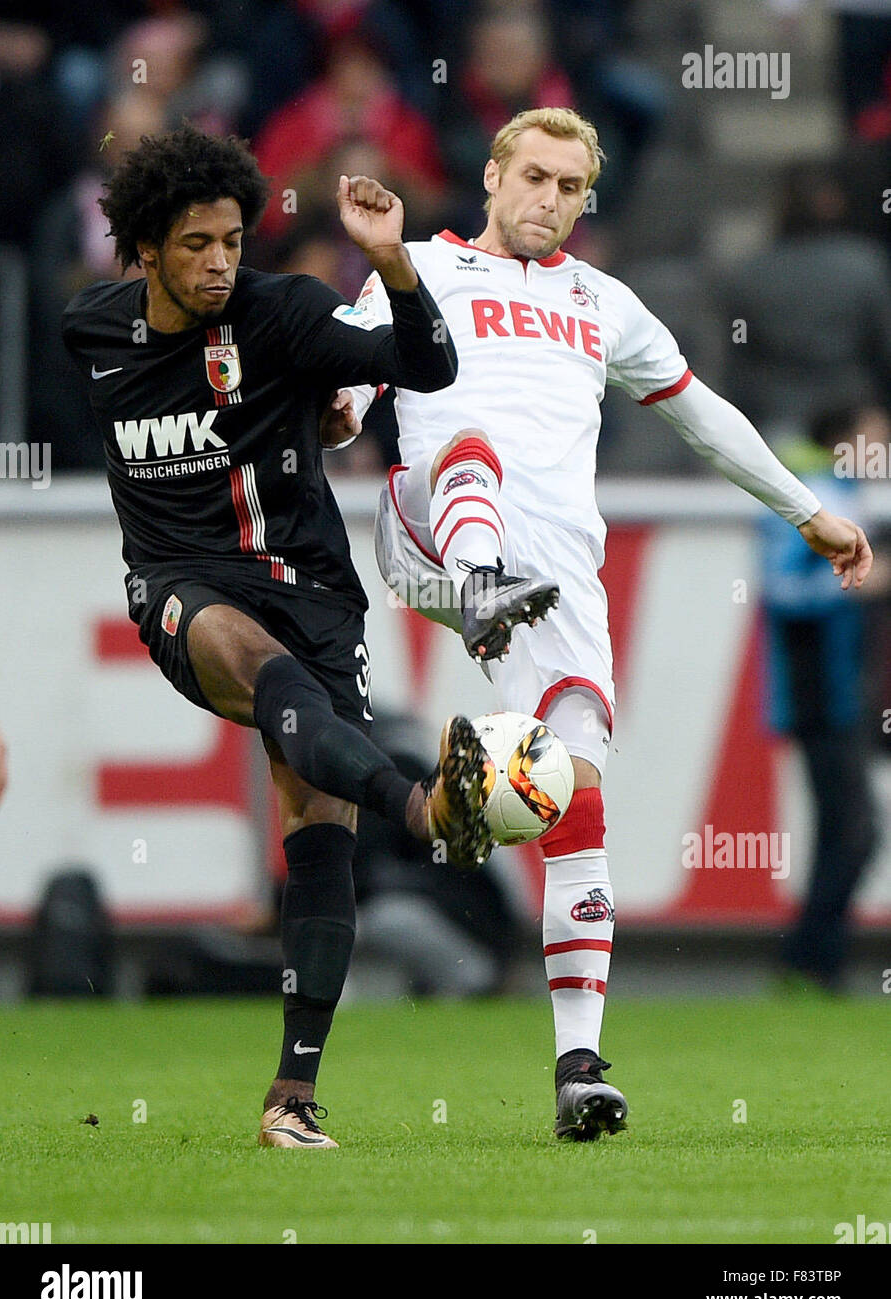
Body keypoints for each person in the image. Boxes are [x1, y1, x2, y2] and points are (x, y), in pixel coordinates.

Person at [327, 106, 874, 1141]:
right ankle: (484, 590)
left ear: (587, 198)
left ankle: (579, 1065)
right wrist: (333, 415)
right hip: (431, 531)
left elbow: (701, 412)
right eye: (531, 176)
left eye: (570, 187)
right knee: (472, 448)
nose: (548, 200)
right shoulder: (420, 271)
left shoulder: (602, 303)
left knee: (574, 793)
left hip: (556, 583)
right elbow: (346, 388)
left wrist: (807, 511)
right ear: (492, 175)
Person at [61, 124, 493, 1151]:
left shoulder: (285, 313)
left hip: (311, 593)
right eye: (197, 243)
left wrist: (390, 264)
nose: (218, 261)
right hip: (182, 587)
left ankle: (291, 1099)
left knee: (316, 841)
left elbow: (427, 366)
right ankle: (423, 807)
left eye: (230, 240)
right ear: (145, 246)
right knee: (245, 657)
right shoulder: (90, 331)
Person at [759, 403, 885, 990]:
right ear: (841, 440)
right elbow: (782, 588)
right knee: (854, 830)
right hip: (820, 695)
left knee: (846, 829)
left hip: (844, 694)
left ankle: (811, 963)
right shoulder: (813, 498)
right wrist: (859, 584)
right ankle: (809, 960)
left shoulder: (849, 496)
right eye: (873, 436)